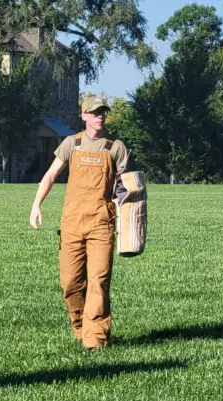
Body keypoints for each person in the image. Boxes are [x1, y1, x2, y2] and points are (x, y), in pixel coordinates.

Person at [29, 95, 131, 350]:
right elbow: (51, 174)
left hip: (101, 223)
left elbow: (128, 186)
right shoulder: (71, 144)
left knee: (98, 280)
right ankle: (80, 327)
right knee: (71, 283)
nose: (100, 116)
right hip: (72, 223)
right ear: (84, 116)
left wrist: (130, 218)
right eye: (94, 112)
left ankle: (96, 337)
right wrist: (36, 205)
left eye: (103, 113)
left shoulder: (115, 147)